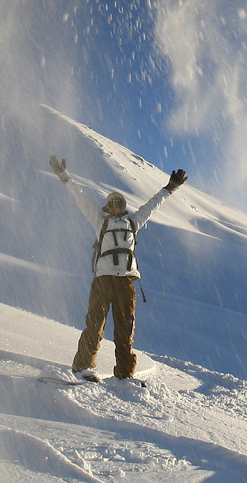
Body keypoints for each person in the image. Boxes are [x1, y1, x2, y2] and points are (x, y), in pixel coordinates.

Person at [48, 154, 187, 381]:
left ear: (123, 207)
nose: (115, 206)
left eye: (119, 203)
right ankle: (84, 367)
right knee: (95, 324)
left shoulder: (133, 222)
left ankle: (124, 374)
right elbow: (80, 198)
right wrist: (64, 176)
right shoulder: (100, 221)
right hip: (103, 279)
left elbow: (152, 206)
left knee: (125, 330)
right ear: (107, 207)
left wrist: (170, 188)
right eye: (112, 203)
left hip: (126, 281)